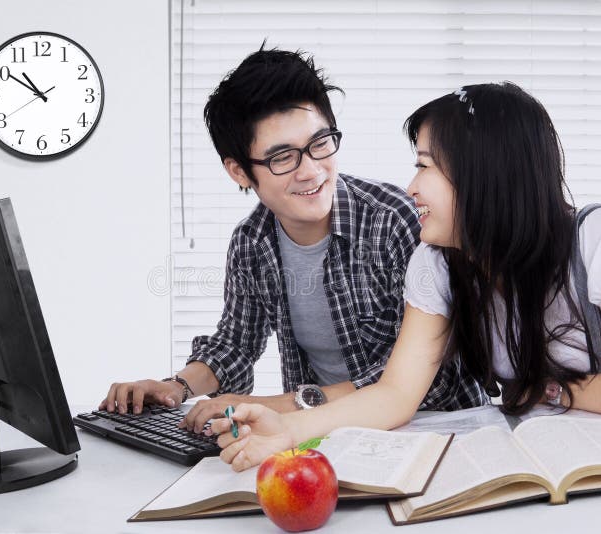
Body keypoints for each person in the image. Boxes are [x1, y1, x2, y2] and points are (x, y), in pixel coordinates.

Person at [211, 82, 601, 471]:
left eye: (424, 166)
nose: (411, 187)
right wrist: (289, 429)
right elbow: (396, 395)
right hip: (536, 458)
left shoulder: (598, 239)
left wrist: (551, 390)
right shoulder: (437, 262)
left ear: (483, 176)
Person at [98, 46, 487, 432]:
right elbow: (235, 345)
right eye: (282, 157)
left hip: (439, 429)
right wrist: (173, 389)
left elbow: (425, 380)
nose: (311, 171)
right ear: (238, 171)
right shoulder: (253, 242)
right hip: (324, 434)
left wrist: (278, 406)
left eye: (320, 144)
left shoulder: (396, 220)